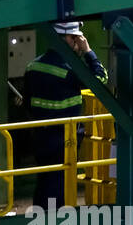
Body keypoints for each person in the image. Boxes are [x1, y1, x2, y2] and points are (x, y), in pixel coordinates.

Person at [24, 21, 108, 209]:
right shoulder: (71, 70)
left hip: (40, 136)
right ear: (64, 39)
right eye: (74, 38)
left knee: (45, 181)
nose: (78, 43)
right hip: (64, 138)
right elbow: (101, 79)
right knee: (59, 185)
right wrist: (88, 52)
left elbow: (27, 103)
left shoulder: (32, 66)